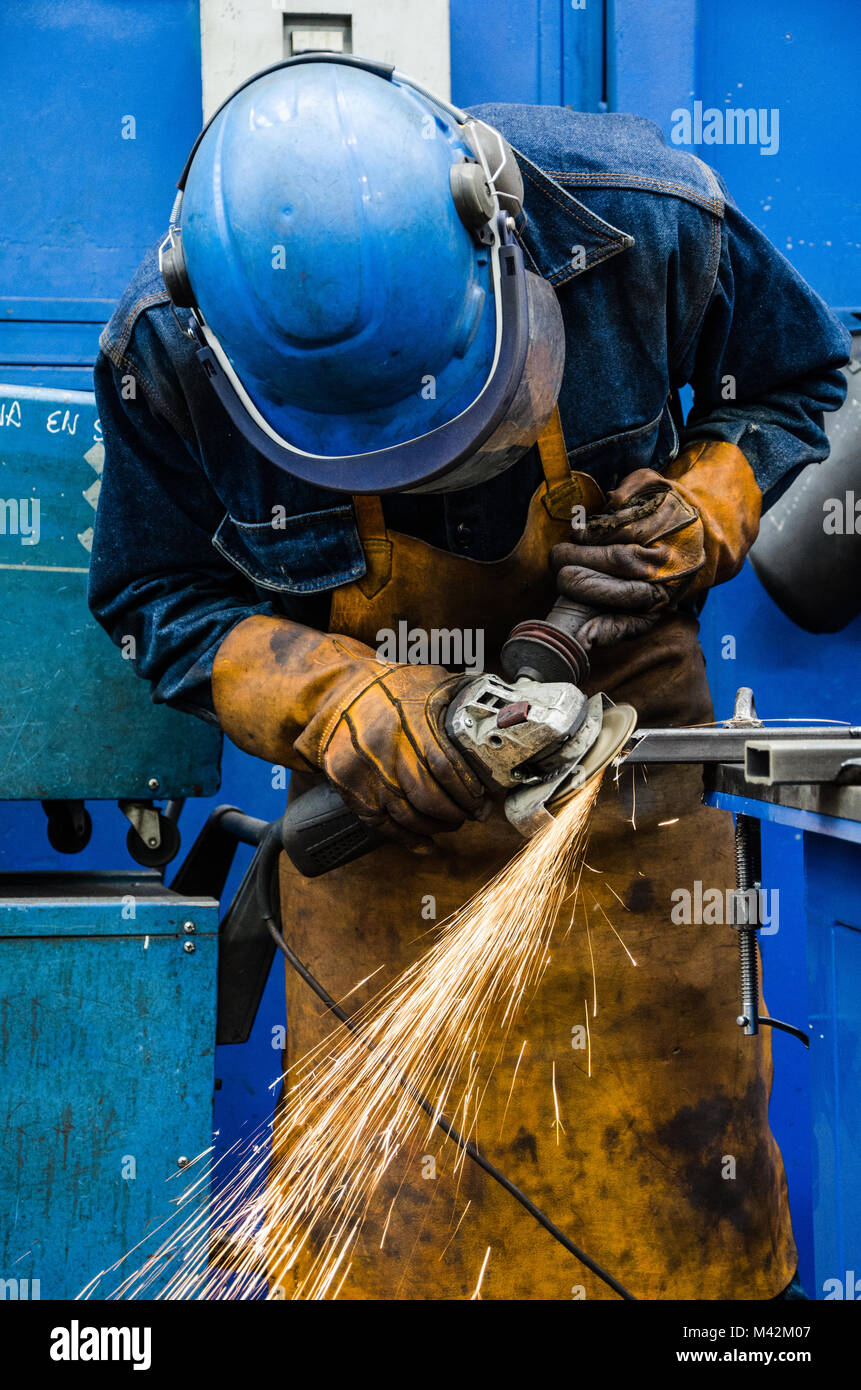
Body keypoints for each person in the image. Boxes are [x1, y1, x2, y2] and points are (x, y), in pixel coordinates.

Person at [90, 56, 849, 1299]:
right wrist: (335, 699)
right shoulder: (167, 351)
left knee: (686, 1240)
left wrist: (708, 505)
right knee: (386, 1255)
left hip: (634, 831)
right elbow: (150, 598)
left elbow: (798, 378)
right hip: (386, 848)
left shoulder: (639, 219)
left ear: (490, 229)